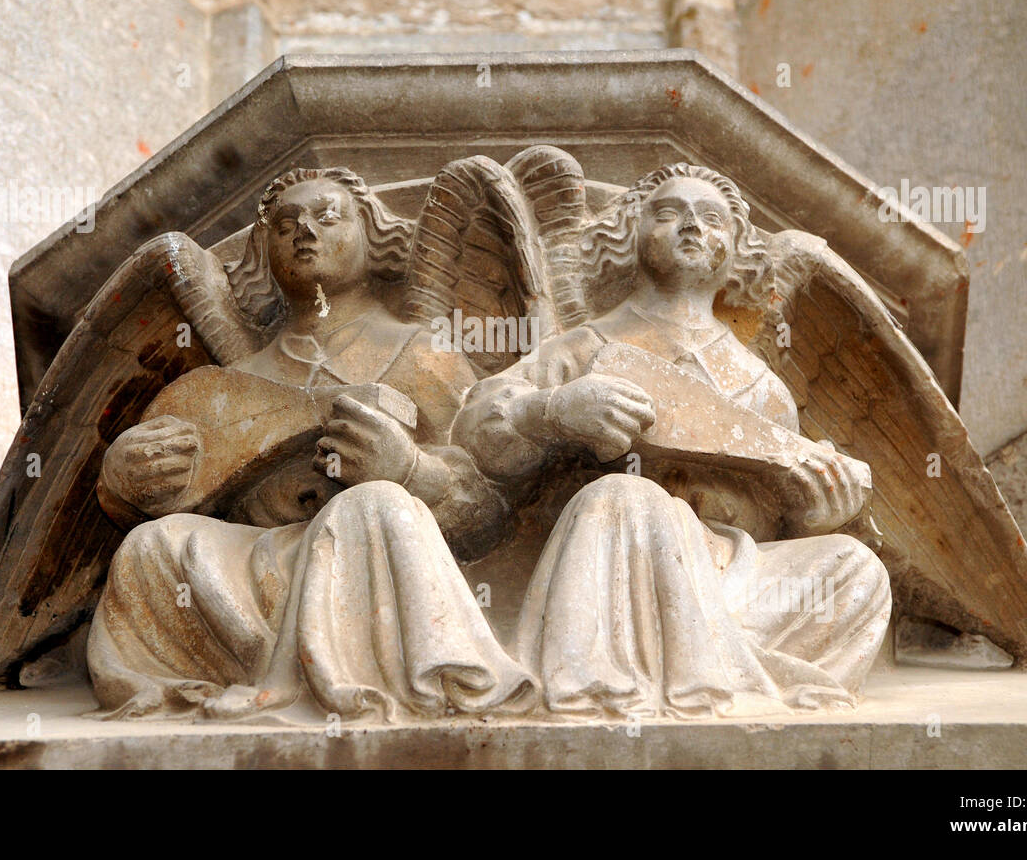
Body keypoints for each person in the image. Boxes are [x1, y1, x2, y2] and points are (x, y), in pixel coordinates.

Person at [88, 167, 535, 722]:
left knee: (374, 504)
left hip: (375, 565)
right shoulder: (230, 382)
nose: (304, 230)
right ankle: (223, 676)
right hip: (256, 567)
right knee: (151, 545)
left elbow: (489, 511)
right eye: (284, 224)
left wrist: (412, 469)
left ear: (373, 240)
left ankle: (370, 683)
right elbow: (154, 495)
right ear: (262, 251)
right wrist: (124, 479)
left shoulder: (421, 353)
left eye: (327, 216)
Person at [453, 163, 892, 718]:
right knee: (627, 497)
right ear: (631, 236)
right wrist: (552, 410)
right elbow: (474, 432)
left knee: (854, 567)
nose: (691, 225)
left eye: (712, 219)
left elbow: (772, 516)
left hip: (727, 577)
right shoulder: (586, 347)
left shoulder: (762, 386)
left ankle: (731, 676)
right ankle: (620, 687)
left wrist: (814, 509)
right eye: (668, 213)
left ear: (735, 251)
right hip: (617, 566)